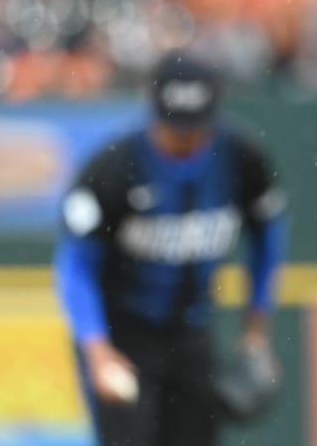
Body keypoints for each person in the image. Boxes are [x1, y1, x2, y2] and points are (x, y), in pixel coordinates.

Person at [54, 50, 288, 446]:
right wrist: (97, 350)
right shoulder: (112, 169)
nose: (183, 139)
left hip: (192, 329)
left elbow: (268, 235)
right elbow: (76, 266)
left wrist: (256, 332)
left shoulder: (241, 159)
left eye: (194, 128)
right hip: (121, 333)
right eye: (174, 127)